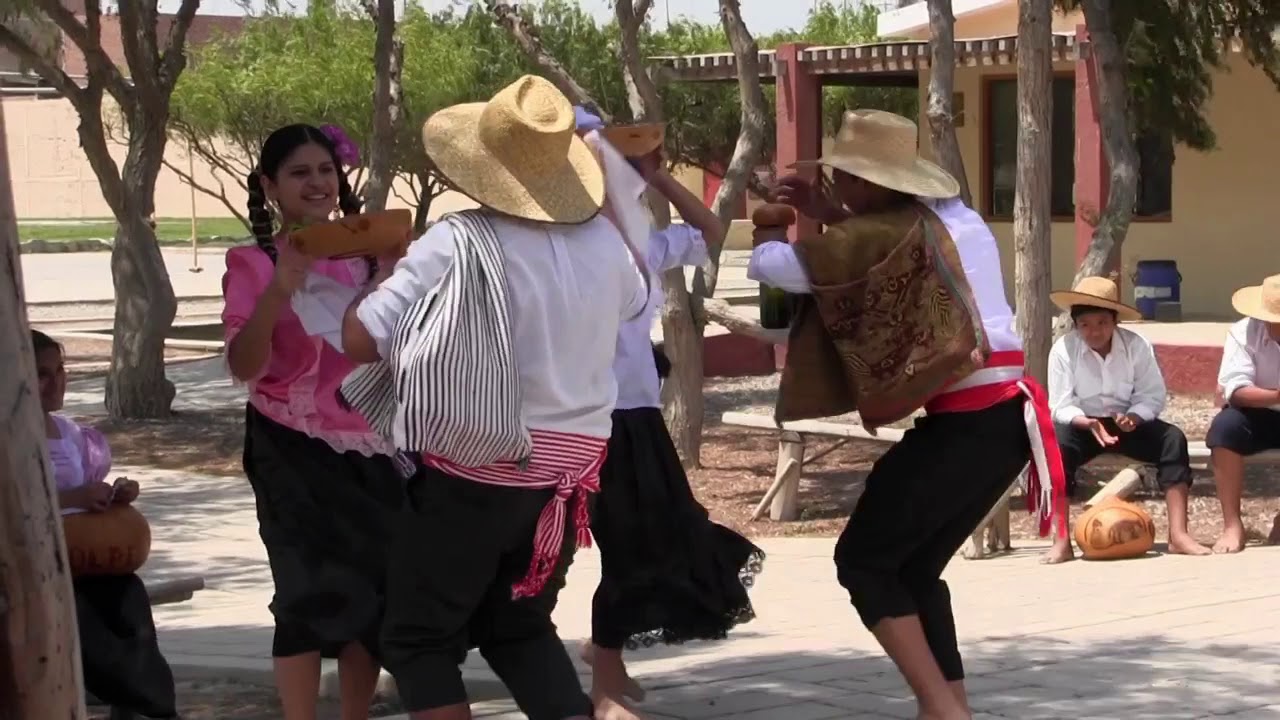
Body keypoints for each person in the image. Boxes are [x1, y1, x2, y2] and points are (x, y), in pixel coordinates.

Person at [340, 75, 647, 720]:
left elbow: (362, 341)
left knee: (418, 638)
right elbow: (635, 304)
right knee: (517, 625)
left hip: (478, 466)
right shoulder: (602, 243)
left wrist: (386, 272)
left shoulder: (456, 240)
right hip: (569, 473)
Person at [748, 109, 1065, 720]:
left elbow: (780, 269)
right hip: (1006, 424)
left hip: (968, 423)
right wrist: (831, 213)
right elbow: (890, 238)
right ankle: (948, 707)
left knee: (864, 562)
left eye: (844, 178)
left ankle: (943, 709)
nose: (838, 188)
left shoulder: (884, 231)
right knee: (915, 571)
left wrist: (770, 226)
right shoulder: (960, 219)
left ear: (870, 184)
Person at [573, 108, 765, 719]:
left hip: (638, 414)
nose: (617, 170)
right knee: (624, 547)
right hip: (584, 417)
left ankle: (604, 658)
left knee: (666, 538)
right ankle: (603, 678)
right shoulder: (563, 239)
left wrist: (657, 178)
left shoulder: (639, 240)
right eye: (608, 159)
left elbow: (711, 231)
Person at [221, 123, 408, 720]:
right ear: (270, 186)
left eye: (326, 170)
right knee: (303, 591)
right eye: (300, 172)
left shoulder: (369, 259)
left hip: (374, 441)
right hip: (289, 445)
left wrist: (397, 273)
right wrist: (280, 289)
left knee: (370, 594)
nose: (317, 182)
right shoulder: (251, 262)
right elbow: (244, 365)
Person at [32, 330, 179, 720]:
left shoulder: (70, 435)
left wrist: (114, 497)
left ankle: (149, 699)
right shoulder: (11, 437)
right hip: (34, 567)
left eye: (60, 370)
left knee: (130, 598)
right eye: (42, 374)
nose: (56, 381)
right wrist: (70, 499)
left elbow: (86, 494)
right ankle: (145, 700)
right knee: (77, 614)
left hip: (86, 560)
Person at [1044, 277, 1206, 562]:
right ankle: (1061, 540)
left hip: (1126, 423)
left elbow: (1152, 395)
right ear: (1076, 324)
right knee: (1058, 447)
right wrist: (1088, 423)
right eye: (1085, 325)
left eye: (1102, 323)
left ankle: (1178, 534)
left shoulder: (1137, 346)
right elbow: (1060, 405)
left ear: (1115, 321)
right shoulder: (1063, 350)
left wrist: (1134, 416)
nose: (1094, 332)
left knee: (1172, 439)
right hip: (1084, 425)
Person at [1206, 273, 1280, 552]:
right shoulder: (1243, 332)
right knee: (1224, 429)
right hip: (1255, 411)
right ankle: (1232, 525)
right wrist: (1276, 395)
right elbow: (1235, 390)